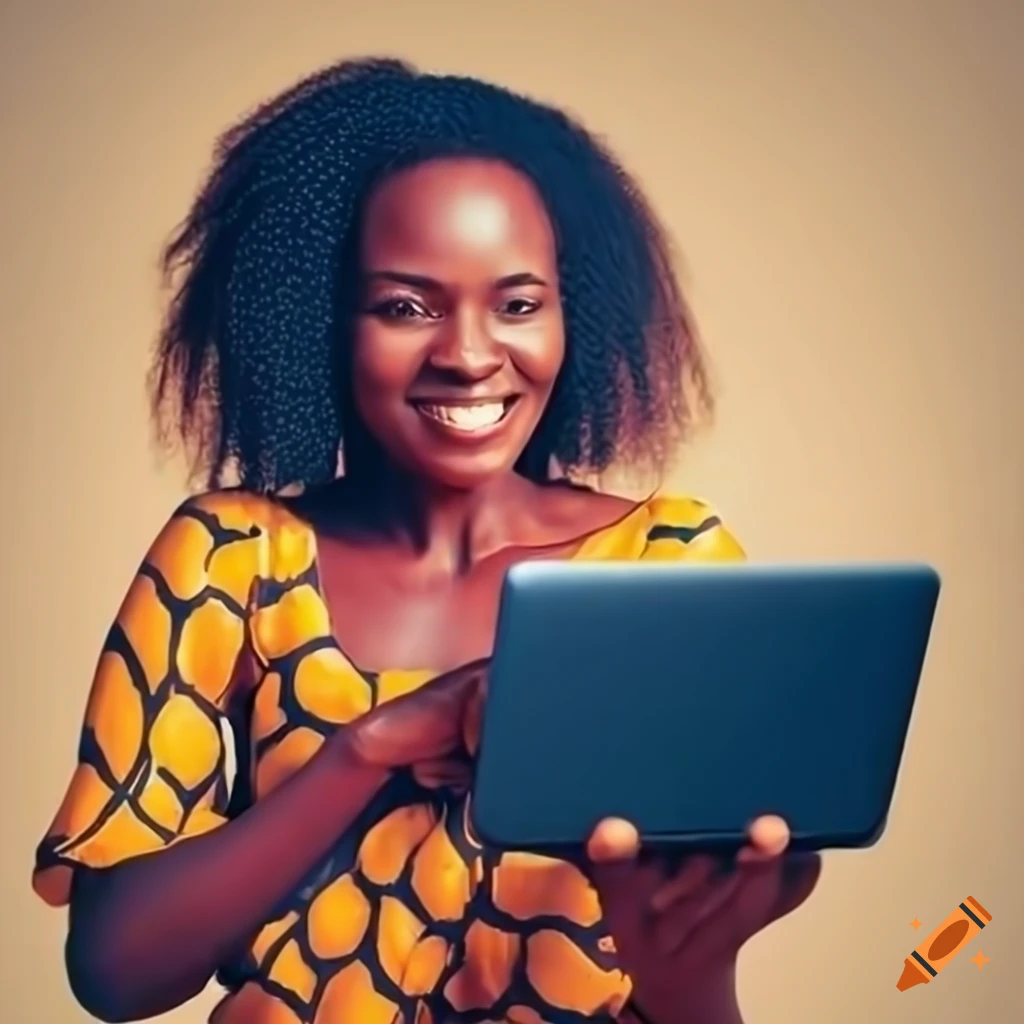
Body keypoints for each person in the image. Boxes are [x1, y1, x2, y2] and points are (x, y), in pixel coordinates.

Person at [33, 57, 820, 1024]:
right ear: (318, 318)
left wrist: (690, 971)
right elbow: (113, 972)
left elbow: (687, 983)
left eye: (519, 304)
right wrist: (369, 749)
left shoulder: (671, 569)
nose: (470, 353)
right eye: (407, 306)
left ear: (578, 316)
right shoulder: (230, 558)